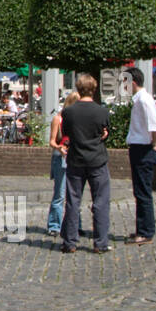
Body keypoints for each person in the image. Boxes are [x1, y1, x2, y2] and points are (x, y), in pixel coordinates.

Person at [59, 74, 112, 253]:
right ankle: (100, 243)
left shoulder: (68, 112)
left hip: (76, 159)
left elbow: (66, 133)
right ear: (94, 89)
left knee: (73, 201)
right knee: (101, 201)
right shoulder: (102, 111)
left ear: (78, 89)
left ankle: (70, 242)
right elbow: (104, 132)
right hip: (97, 159)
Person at [125, 67, 156, 245]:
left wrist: (153, 144)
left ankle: (146, 231)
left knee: (143, 191)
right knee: (139, 191)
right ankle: (142, 228)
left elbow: (154, 125)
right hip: (139, 147)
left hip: (143, 148)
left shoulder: (144, 100)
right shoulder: (139, 99)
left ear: (132, 83)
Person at [46, 94, 79, 236]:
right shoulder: (58, 119)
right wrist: (59, 147)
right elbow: (52, 141)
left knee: (75, 194)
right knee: (60, 193)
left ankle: (75, 225)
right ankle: (54, 225)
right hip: (61, 158)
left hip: (76, 157)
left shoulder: (77, 119)